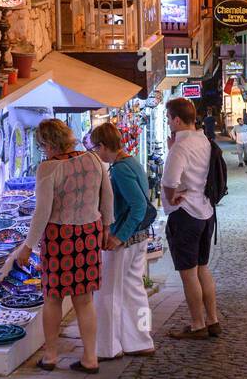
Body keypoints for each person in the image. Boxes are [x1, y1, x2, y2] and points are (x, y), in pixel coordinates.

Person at [10, 119, 113, 373]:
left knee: (53, 298)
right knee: (84, 300)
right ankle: (90, 357)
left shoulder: (48, 168)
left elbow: (42, 213)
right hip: (89, 233)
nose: (43, 150)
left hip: (60, 236)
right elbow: (107, 197)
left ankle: (51, 355)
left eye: (42, 145)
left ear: (48, 143)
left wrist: (27, 246)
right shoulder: (93, 160)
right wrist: (106, 227)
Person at [90, 122, 156, 360]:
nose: (95, 154)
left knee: (108, 294)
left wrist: (119, 236)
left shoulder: (119, 169)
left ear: (104, 146)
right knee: (135, 291)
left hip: (125, 241)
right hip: (138, 238)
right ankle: (142, 339)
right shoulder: (132, 162)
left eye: (95, 148)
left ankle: (108, 347)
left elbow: (138, 205)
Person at [162, 97, 220, 340]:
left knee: (188, 273)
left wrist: (172, 197)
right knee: (202, 269)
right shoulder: (203, 139)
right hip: (205, 211)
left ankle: (197, 324)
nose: (167, 122)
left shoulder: (180, 147)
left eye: (168, 119)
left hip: (186, 214)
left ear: (176, 120)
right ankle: (213, 320)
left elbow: (169, 182)